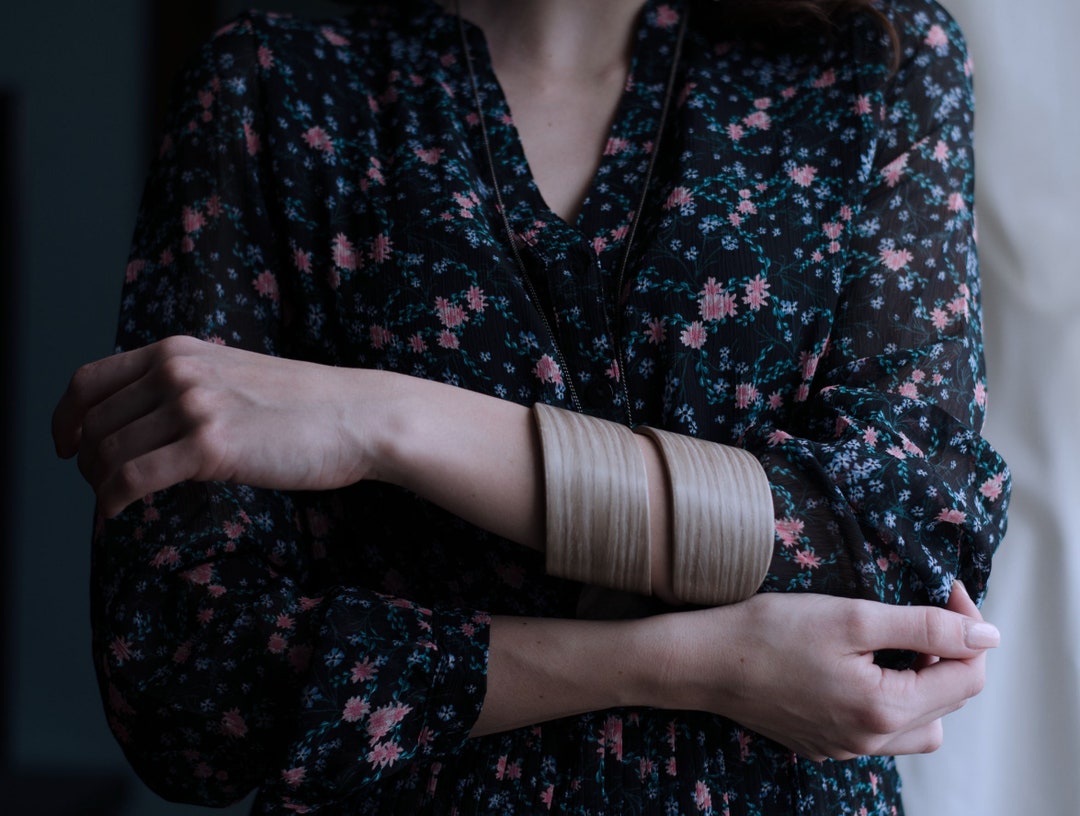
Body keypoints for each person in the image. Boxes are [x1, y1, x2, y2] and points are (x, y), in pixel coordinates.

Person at [52, 0, 1010, 812]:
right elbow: (186, 682)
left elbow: (904, 552)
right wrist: (696, 661)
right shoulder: (274, 87)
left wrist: (389, 423)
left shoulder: (868, 64)